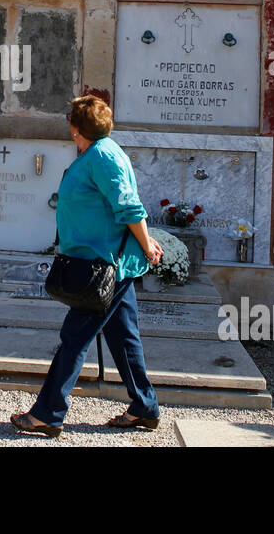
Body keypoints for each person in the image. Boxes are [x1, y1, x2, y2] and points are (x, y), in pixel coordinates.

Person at [11, 95, 164, 437]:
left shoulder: (103, 156)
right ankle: (145, 406)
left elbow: (129, 207)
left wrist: (146, 243)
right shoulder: (96, 153)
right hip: (106, 263)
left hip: (103, 268)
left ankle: (48, 414)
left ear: (76, 128)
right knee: (124, 339)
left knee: (74, 338)